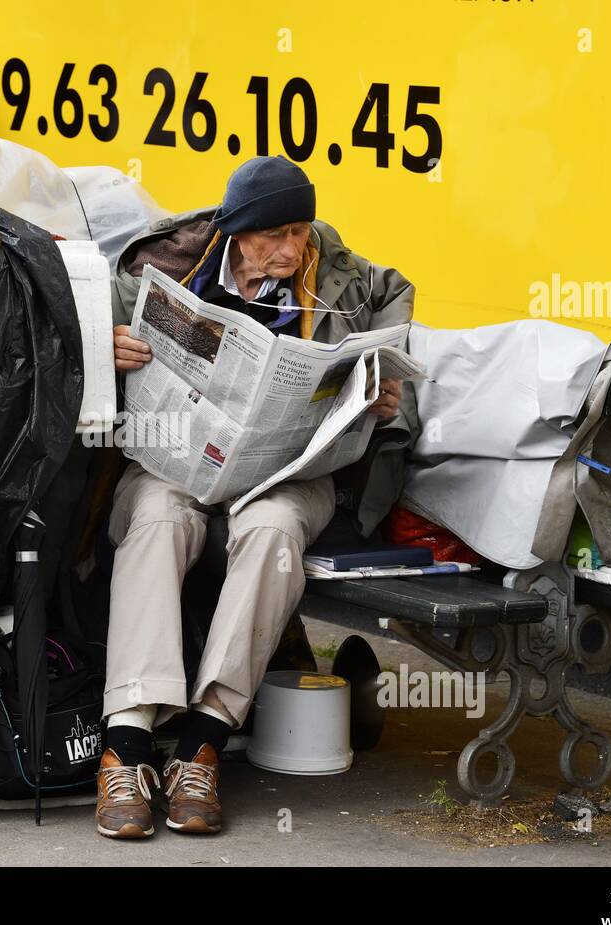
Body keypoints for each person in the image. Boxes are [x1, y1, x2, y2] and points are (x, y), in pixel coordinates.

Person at [95, 156, 418, 838]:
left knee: (271, 533)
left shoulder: (345, 280)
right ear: (237, 232)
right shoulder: (169, 268)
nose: (292, 249)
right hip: (174, 460)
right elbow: (78, 352)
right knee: (155, 518)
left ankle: (202, 744)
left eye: (301, 231)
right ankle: (124, 747)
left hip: (291, 477)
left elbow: (399, 335)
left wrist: (391, 401)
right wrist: (107, 352)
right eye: (275, 235)